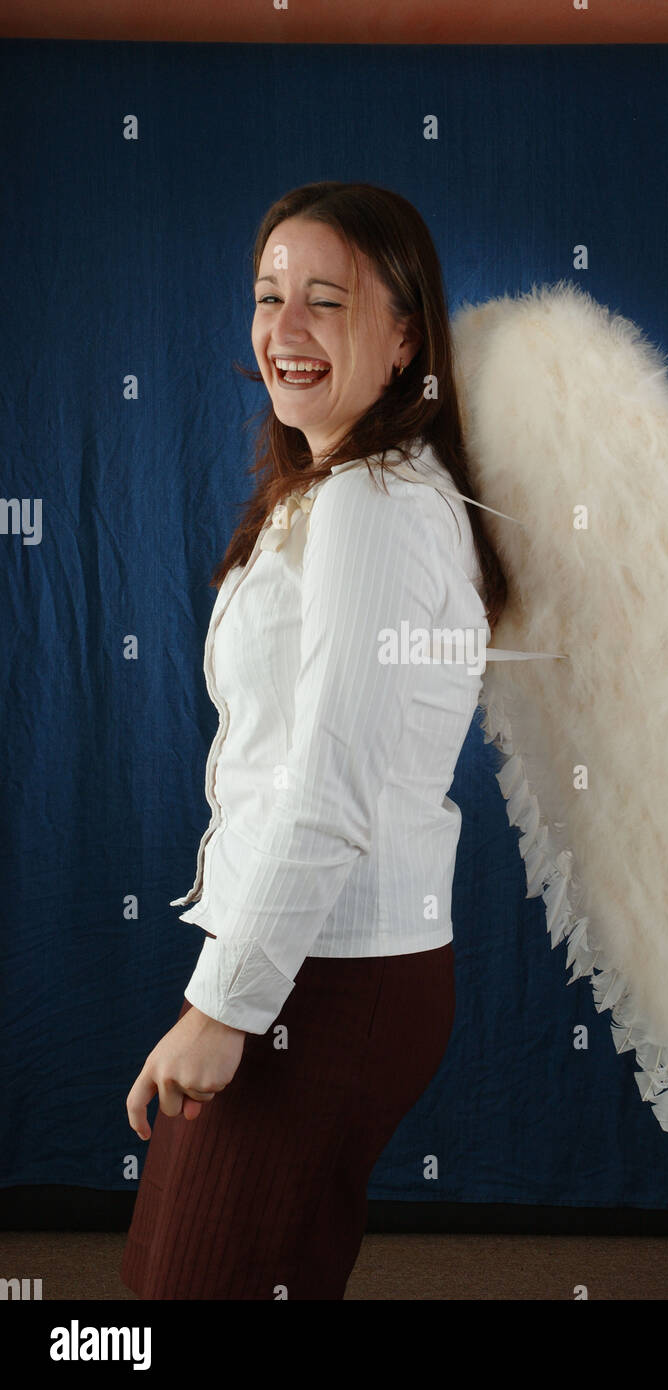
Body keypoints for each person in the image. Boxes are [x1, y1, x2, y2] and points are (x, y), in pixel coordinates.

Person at [120, 181, 508, 1300]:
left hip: (327, 978)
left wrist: (223, 1005)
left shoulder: (372, 506)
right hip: (323, 962)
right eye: (268, 295)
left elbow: (333, 780)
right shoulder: (338, 488)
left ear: (403, 339)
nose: (282, 330)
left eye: (324, 301)